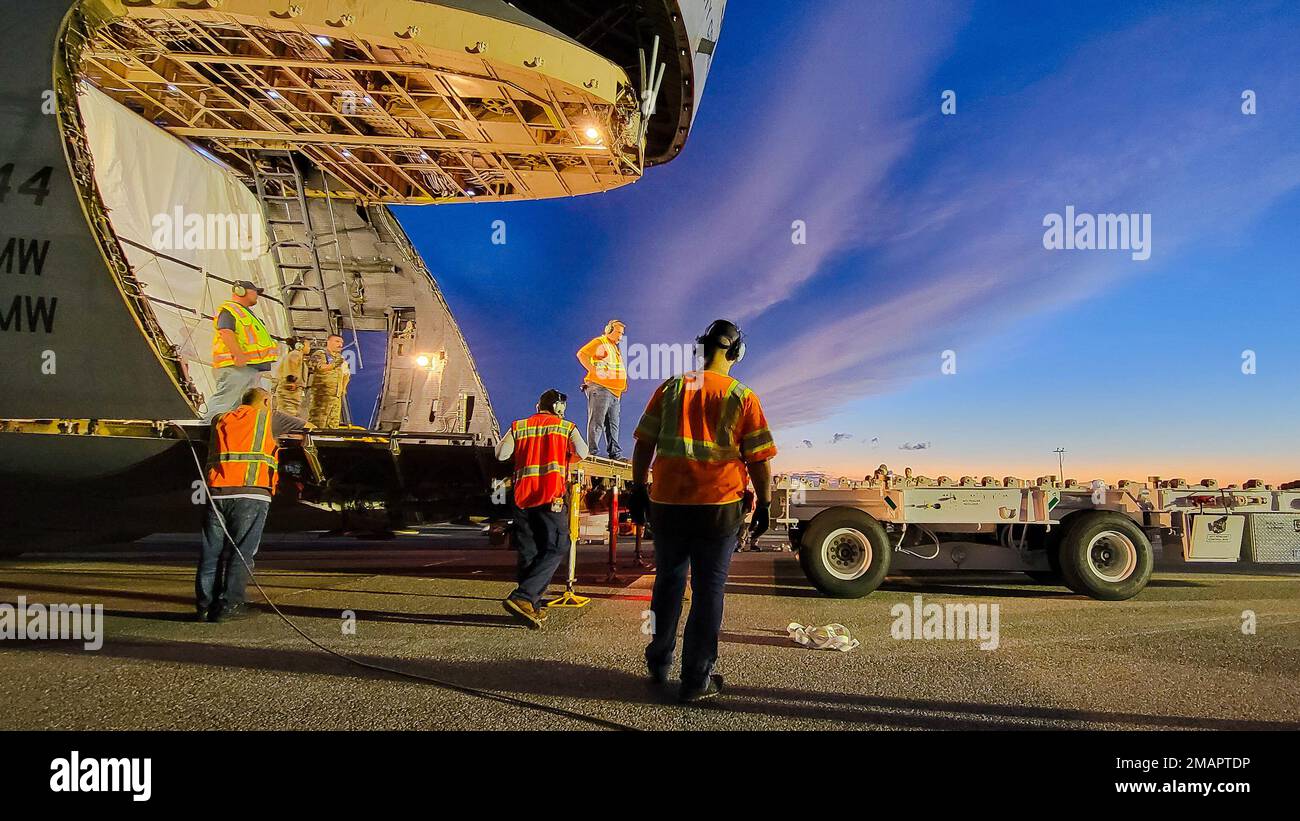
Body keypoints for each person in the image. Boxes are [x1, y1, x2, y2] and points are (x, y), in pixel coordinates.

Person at [627, 319, 777, 703]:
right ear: (736, 352)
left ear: (702, 348)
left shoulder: (672, 388)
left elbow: (644, 444)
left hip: (668, 504)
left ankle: (658, 661)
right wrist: (765, 502)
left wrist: (639, 488)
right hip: (719, 506)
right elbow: (758, 459)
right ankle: (696, 678)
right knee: (709, 589)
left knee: (668, 582)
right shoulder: (742, 396)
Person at [197, 387, 309, 622]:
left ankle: (205, 607)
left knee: (211, 553)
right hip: (252, 494)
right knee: (241, 553)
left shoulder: (220, 420)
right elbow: (306, 426)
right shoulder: (271, 418)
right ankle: (231, 606)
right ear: (266, 401)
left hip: (217, 494)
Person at [496, 389, 589, 628]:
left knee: (529, 550)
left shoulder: (519, 426)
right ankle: (524, 597)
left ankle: (530, 607)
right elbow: (583, 452)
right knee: (558, 545)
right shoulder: (565, 427)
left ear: (539, 406)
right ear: (559, 408)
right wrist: (566, 457)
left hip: (522, 495)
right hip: (551, 495)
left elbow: (501, 454)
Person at [209, 280, 279, 419]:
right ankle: (206, 432)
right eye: (255, 291)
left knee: (237, 407)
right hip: (235, 367)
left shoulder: (247, 314)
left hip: (248, 368)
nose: (257, 295)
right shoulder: (230, 310)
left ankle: (224, 434)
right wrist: (238, 354)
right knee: (225, 403)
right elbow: (226, 331)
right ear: (241, 291)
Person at [576, 320, 626, 459]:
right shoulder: (600, 342)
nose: (620, 336)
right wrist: (594, 371)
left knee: (613, 425)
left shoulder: (613, 347)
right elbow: (582, 354)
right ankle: (592, 453)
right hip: (601, 388)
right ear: (609, 330)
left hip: (614, 391)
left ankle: (615, 453)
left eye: (622, 334)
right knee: (597, 421)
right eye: (618, 332)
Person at [307, 333, 351, 429]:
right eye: (337, 341)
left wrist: (343, 389)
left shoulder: (340, 358)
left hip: (336, 396)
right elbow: (319, 367)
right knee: (318, 423)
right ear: (328, 342)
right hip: (322, 396)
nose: (340, 345)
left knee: (333, 424)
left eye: (342, 343)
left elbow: (346, 374)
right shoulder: (320, 354)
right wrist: (335, 364)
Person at [273, 338, 310, 416]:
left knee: (289, 413)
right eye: (308, 345)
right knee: (287, 414)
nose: (309, 348)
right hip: (289, 390)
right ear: (301, 346)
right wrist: (291, 381)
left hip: (293, 390)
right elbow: (291, 366)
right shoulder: (295, 354)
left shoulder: (298, 355)